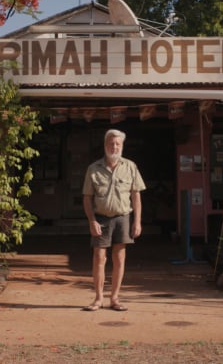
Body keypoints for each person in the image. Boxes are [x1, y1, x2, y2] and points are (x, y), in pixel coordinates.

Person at [82, 129, 146, 311]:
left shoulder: (131, 167)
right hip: (100, 218)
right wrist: (91, 221)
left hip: (123, 217)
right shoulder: (93, 169)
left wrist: (137, 221)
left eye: (118, 143)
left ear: (122, 146)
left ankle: (115, 298)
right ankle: (98, 298)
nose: (114, 147)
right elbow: (87, 198)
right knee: (99, 257)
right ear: (105, 145)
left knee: (119, 258)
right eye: (111, 143)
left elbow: (136, 196)